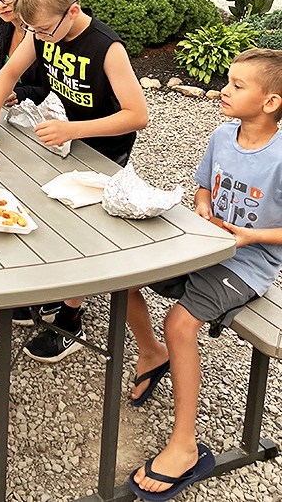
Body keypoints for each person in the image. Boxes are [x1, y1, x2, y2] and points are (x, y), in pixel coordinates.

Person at [0, 0, 148, 362]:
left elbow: (138, 115)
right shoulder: (41, 29)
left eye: (45, 31)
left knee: (80, 227)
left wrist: (74, 131)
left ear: (72, 10)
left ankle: (71, 315)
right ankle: (50, 289)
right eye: (33, 31)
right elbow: (8, 73)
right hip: (66, 137)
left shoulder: (107, 48)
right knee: (47, 210)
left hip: (104, 147)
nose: (39, 39)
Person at [127, 48, 282, 502]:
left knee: (180, 322)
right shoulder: (221, 135)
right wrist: (202, 207)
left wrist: (250, 238)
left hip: (247, 265)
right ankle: (151, 354)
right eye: (227, 81)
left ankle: (186, 446)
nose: (225, 90)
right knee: (123, 276)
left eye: (237, 85)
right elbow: (201, 186)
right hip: (203, 247)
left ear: (270, 102)